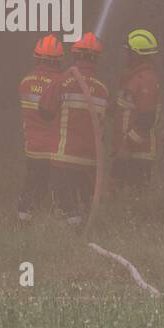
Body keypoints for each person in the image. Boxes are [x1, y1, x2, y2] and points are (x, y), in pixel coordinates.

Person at [39, 32, 109, 226]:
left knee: (64, 197)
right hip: (92, 159)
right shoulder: (103, 88)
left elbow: (44, 111)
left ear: (75, 55)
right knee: (86, 200)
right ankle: (87, 229)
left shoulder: (62, 81)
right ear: (96, 58)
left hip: (65, 157)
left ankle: (74, 230)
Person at [17, 34, 66, 221]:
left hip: (32, 147)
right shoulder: (62, 84)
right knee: (59, 187)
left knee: (33, 183)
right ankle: (59, 220)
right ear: (59, 60)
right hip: (56, 149)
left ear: (37, 57)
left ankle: (23, 218)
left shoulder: (25, 82)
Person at [112, 28, 161, 188]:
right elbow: (122, 112)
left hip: (137, 155)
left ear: (136, 54)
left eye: (128, 52)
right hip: (126, 153)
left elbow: (147, 120)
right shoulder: (133, 78)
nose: (125, 56)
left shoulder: (145, 80)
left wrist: (127, 146)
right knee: (117, 199)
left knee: (129, 200)